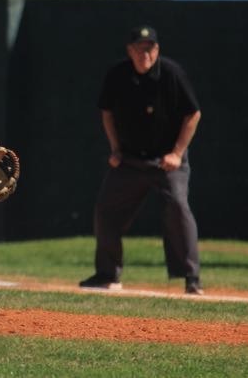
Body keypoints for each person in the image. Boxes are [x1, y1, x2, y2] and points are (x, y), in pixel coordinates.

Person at [79, 25, 203, 294]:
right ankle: (107, 275)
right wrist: (115, 149)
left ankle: (191, 278)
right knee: (106, 211)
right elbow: (107, 112)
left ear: (157, 50)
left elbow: (193, 114)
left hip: (166, 162)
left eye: (150, 48)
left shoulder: (171, 73)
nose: (144, 53)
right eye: (139, 48)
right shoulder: (118, 74)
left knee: (178, 208)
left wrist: (177, 153)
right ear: (129, 51)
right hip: (130, 160)